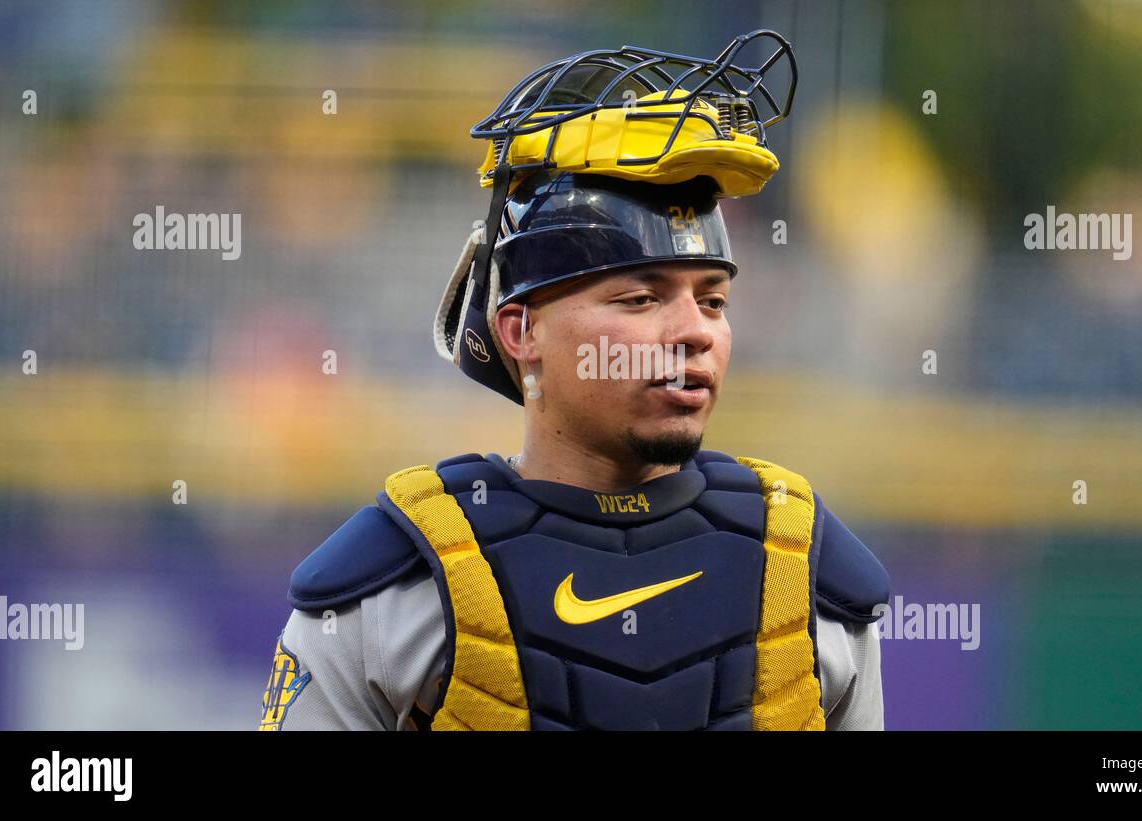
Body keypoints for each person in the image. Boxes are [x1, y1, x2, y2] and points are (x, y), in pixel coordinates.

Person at [258, 30, 890, 731]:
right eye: (640, 298)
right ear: (520, 330)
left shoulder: (805, 577)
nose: (696, 331)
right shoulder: (393, 590)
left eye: (713, 299)